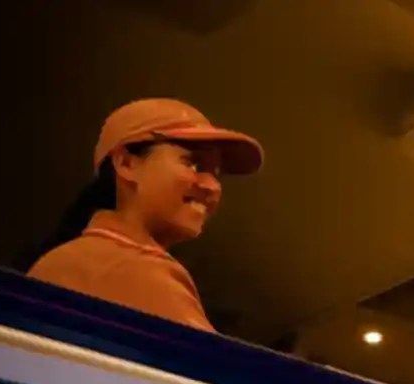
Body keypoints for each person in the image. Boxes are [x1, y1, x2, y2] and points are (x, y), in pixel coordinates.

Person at [25, 98, 263, 332]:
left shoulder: (57, 261)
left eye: (217, 174)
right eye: (193, 164)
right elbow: (219, 369)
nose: (212, 186)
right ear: (127, 163)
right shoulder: (139, 269)